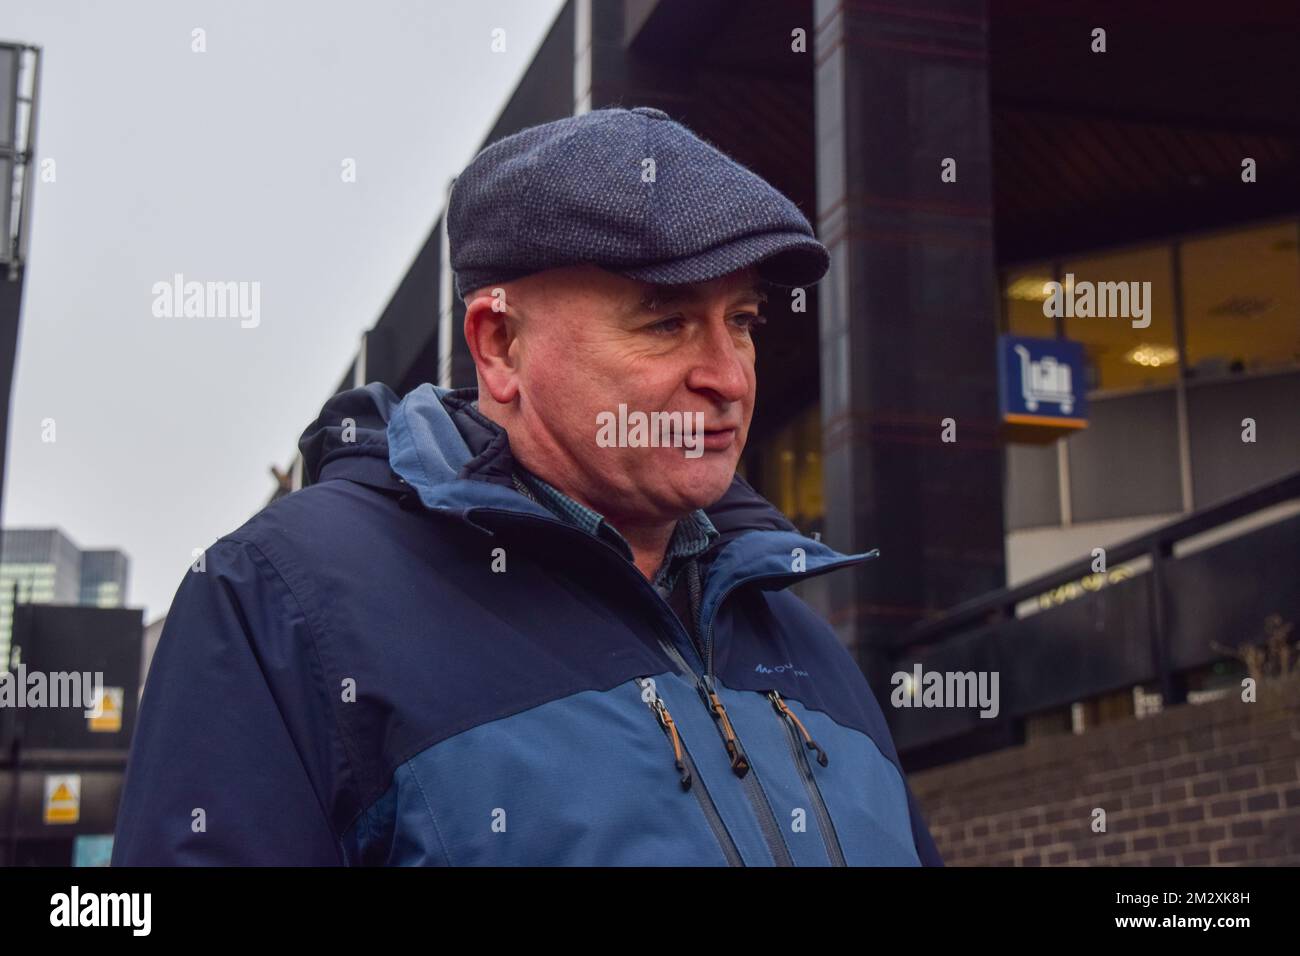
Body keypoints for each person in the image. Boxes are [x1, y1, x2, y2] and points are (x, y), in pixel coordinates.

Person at [112, 106, 942, 866]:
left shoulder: (804, 642)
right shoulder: (276, 603)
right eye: (665, 321)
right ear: (500, 345)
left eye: (744, 322)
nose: (727, 376)